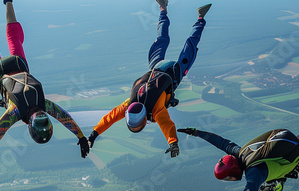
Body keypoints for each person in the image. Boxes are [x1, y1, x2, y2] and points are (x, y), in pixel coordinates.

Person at [0, 0, 90, 170]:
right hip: (0, 69)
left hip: (20, 64)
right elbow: (0, 128)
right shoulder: (17, 112)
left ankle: (8, 2)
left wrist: (81, 137)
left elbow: (64, 118)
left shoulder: (45, 105)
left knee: (13, 36)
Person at [87, 0, 212, 158]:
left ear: (144, 120)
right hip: (155, 66)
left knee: (190, 49)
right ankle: (163, 9)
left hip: (173, 71)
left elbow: (167, 126)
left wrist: (173, 143)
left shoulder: (156, 111)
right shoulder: (129, 104)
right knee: (161, 39)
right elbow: (110, 117)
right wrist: (93, 134)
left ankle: (200, 18)